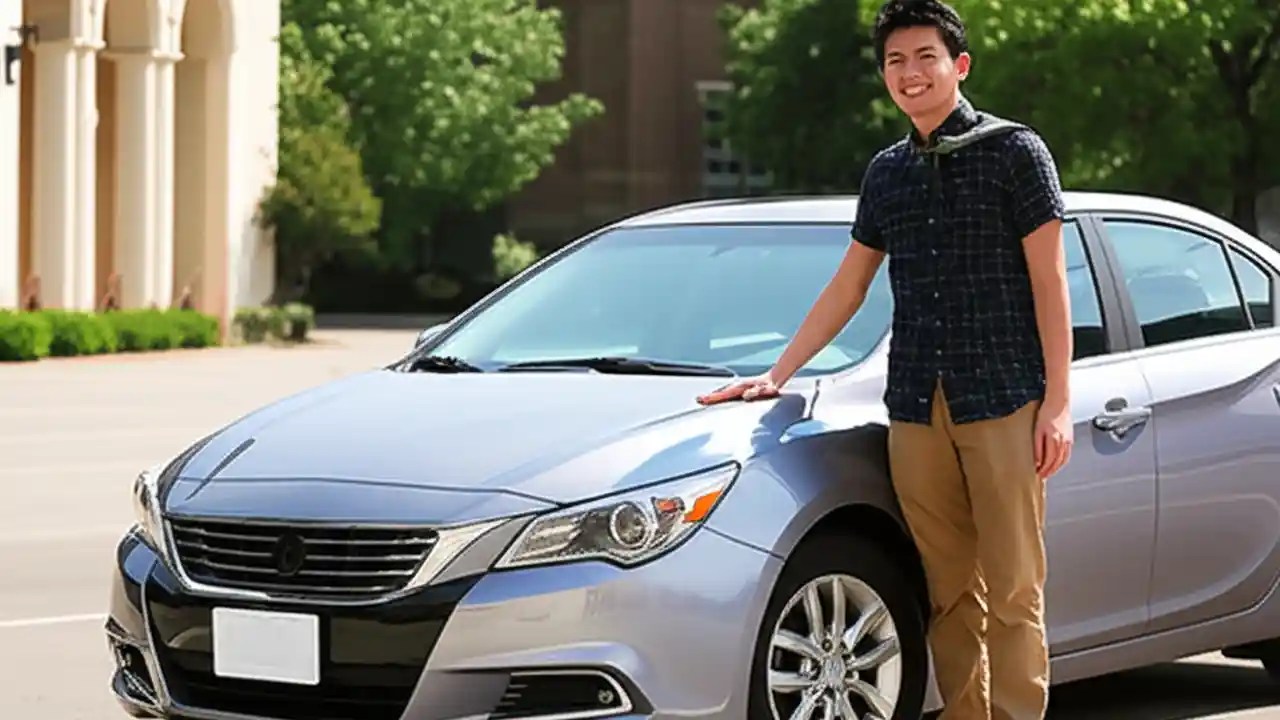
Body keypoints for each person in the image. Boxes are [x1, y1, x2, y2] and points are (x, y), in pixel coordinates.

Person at [696, 1, 1074, 718]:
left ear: (958, 65)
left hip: (1003, 400)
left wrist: (1057, 402)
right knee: (949, 591)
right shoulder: (888, 173)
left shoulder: (1017, 153)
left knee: (1015, 591)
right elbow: (850, 284)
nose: (910, 73)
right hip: (915, 409)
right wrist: (778, 374)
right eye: (895, 62)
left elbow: (1050, 282)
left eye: (925, 57)